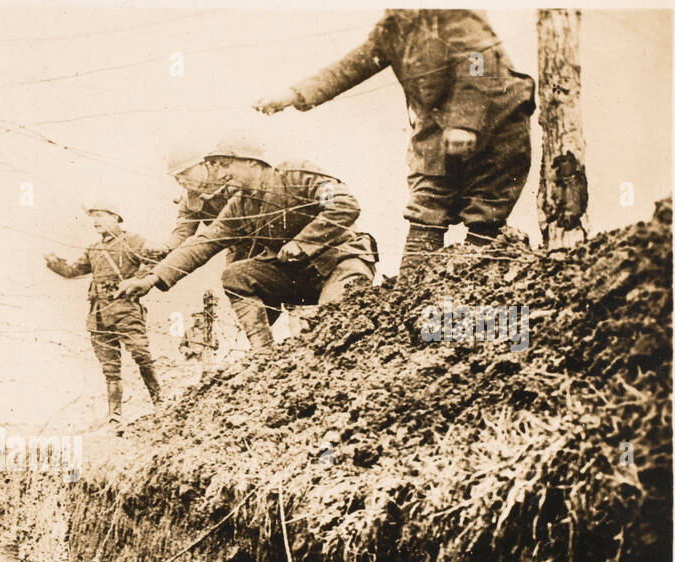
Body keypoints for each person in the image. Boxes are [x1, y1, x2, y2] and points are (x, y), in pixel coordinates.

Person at [253, 9, 535, 269]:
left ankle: (475, 282)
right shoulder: (394, 27)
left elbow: (478, 63)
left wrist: (464, 122)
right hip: (437, 128)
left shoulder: (456, 16)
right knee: (426, 207)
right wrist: (294, 94)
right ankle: (412, 288)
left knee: (485, 213)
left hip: (497, 122)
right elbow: (352, 66)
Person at [117, 133, 377, 351]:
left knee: (333, 328)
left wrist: (302, 243)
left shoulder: (297, 175)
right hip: (298, 278)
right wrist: (151, 279)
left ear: (251, 161)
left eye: (225, 165)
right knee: (235, 275)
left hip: (341, 263)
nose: (219, 173)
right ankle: (263, 355)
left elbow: (343, 204)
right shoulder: (239, 205)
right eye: (216, 166)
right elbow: (204, 242)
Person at [46, 203, 164, 431]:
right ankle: (115, 416)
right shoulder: (94, 249)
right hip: (98, 314)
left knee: (141, 355)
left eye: (100, 216)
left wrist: (137, 280)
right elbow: (72, 271)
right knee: (110, 368)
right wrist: (53, 261)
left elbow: (156, 258)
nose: (95, 221)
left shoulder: (133, 240)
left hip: (126, 309)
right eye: (93, 217)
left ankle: (160, 403)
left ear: (115, 217)